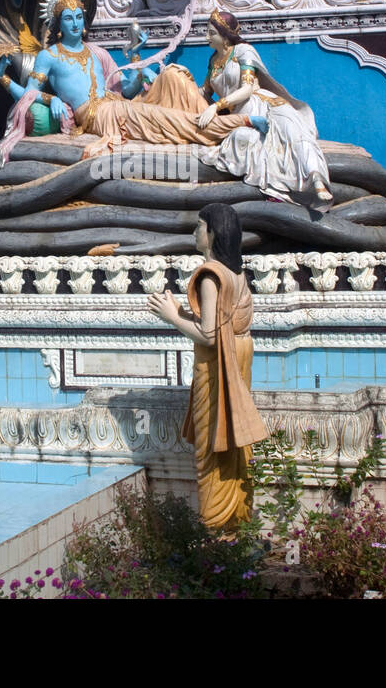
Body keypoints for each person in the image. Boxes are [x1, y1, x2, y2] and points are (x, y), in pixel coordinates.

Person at [0, 0, 265, 161]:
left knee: (173, 74)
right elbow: (28, 93)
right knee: (163, 118)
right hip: (98, 115)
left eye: (79, 17)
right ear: (58, 23)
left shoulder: (96, 52)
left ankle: (214, 119)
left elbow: (125, 89)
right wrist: (44, 97)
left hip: (119, 104)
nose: (76, 23)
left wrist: (137, 71)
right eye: (69, 18)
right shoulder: (49, 56)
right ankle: (241, 123)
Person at [147, 204, 268, 533]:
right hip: (237, 354)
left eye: (198, 227)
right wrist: (183, 314)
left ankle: (216, 530)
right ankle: (235, 522)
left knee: (213, 443)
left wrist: (172, 317)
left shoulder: (210, 276)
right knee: (231, 439)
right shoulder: (237, 274)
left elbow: (210, 335)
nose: (194, 233)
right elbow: (222, 326)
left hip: (217, 366)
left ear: (212, 233)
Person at [194, 10, 335, 210]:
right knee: (253, 144)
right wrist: (179, 84)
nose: (207, 37)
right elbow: (204, 91)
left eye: (211, 33)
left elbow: (247, 88)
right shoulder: (213, 61)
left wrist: (216, 106)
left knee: (293, 134)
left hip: (265, 105)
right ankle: (282, 193)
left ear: (225, 36)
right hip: (241, 116)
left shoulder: (243, 51)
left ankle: (317, 180)